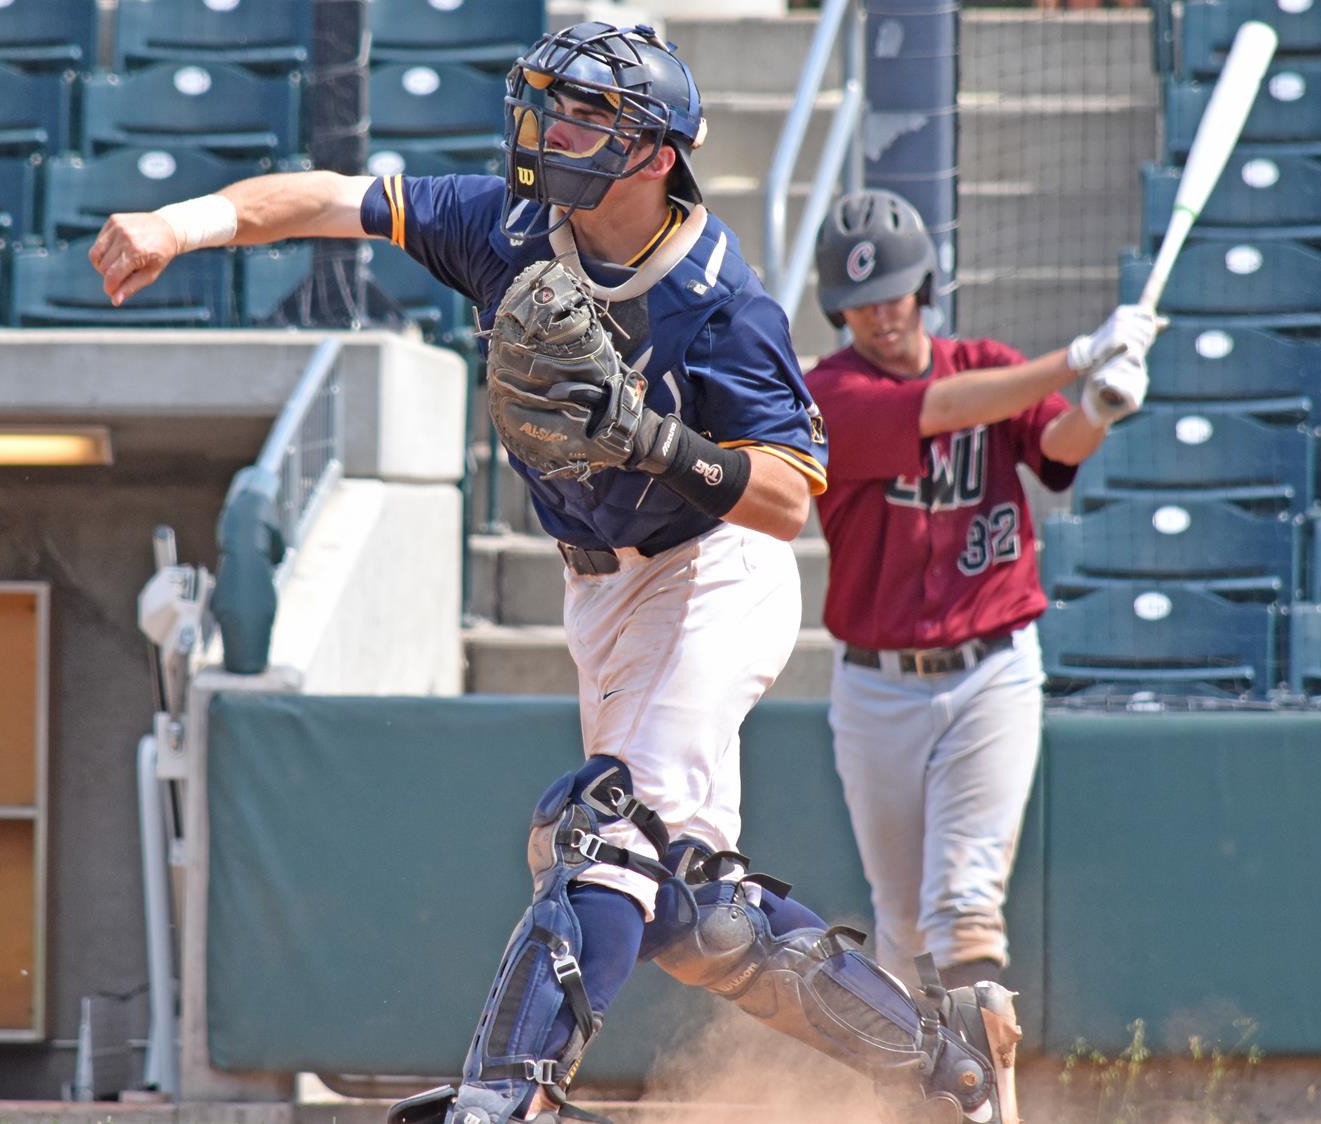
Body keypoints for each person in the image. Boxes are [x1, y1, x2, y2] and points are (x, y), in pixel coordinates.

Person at [88, 23, 1155, 1123]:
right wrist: (182, 223)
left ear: (651, 155)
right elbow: (335, 198)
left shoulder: (718, 299)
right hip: (598, 588)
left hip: (712, 570)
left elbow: (791, 496)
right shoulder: (507, 222)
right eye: (552, 104)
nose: (551, 128)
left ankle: (505, 1096)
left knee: (603, 831)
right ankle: (942, 1071)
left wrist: (654, 440)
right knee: (689, 909)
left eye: (587, 114)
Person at [805, 189, 1155, 995]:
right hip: (874, 685)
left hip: (991, 671)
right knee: (901, 931)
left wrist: (1099, 404)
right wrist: (1076, 359)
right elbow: (937, 410)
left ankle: (985, 1104)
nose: (881, 316)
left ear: (923, 286)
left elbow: (1058, 444)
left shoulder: (992, 365)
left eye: (893, 293)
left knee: (962, 911)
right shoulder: (826, 393)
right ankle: (915, 1100)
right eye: (860, 304)